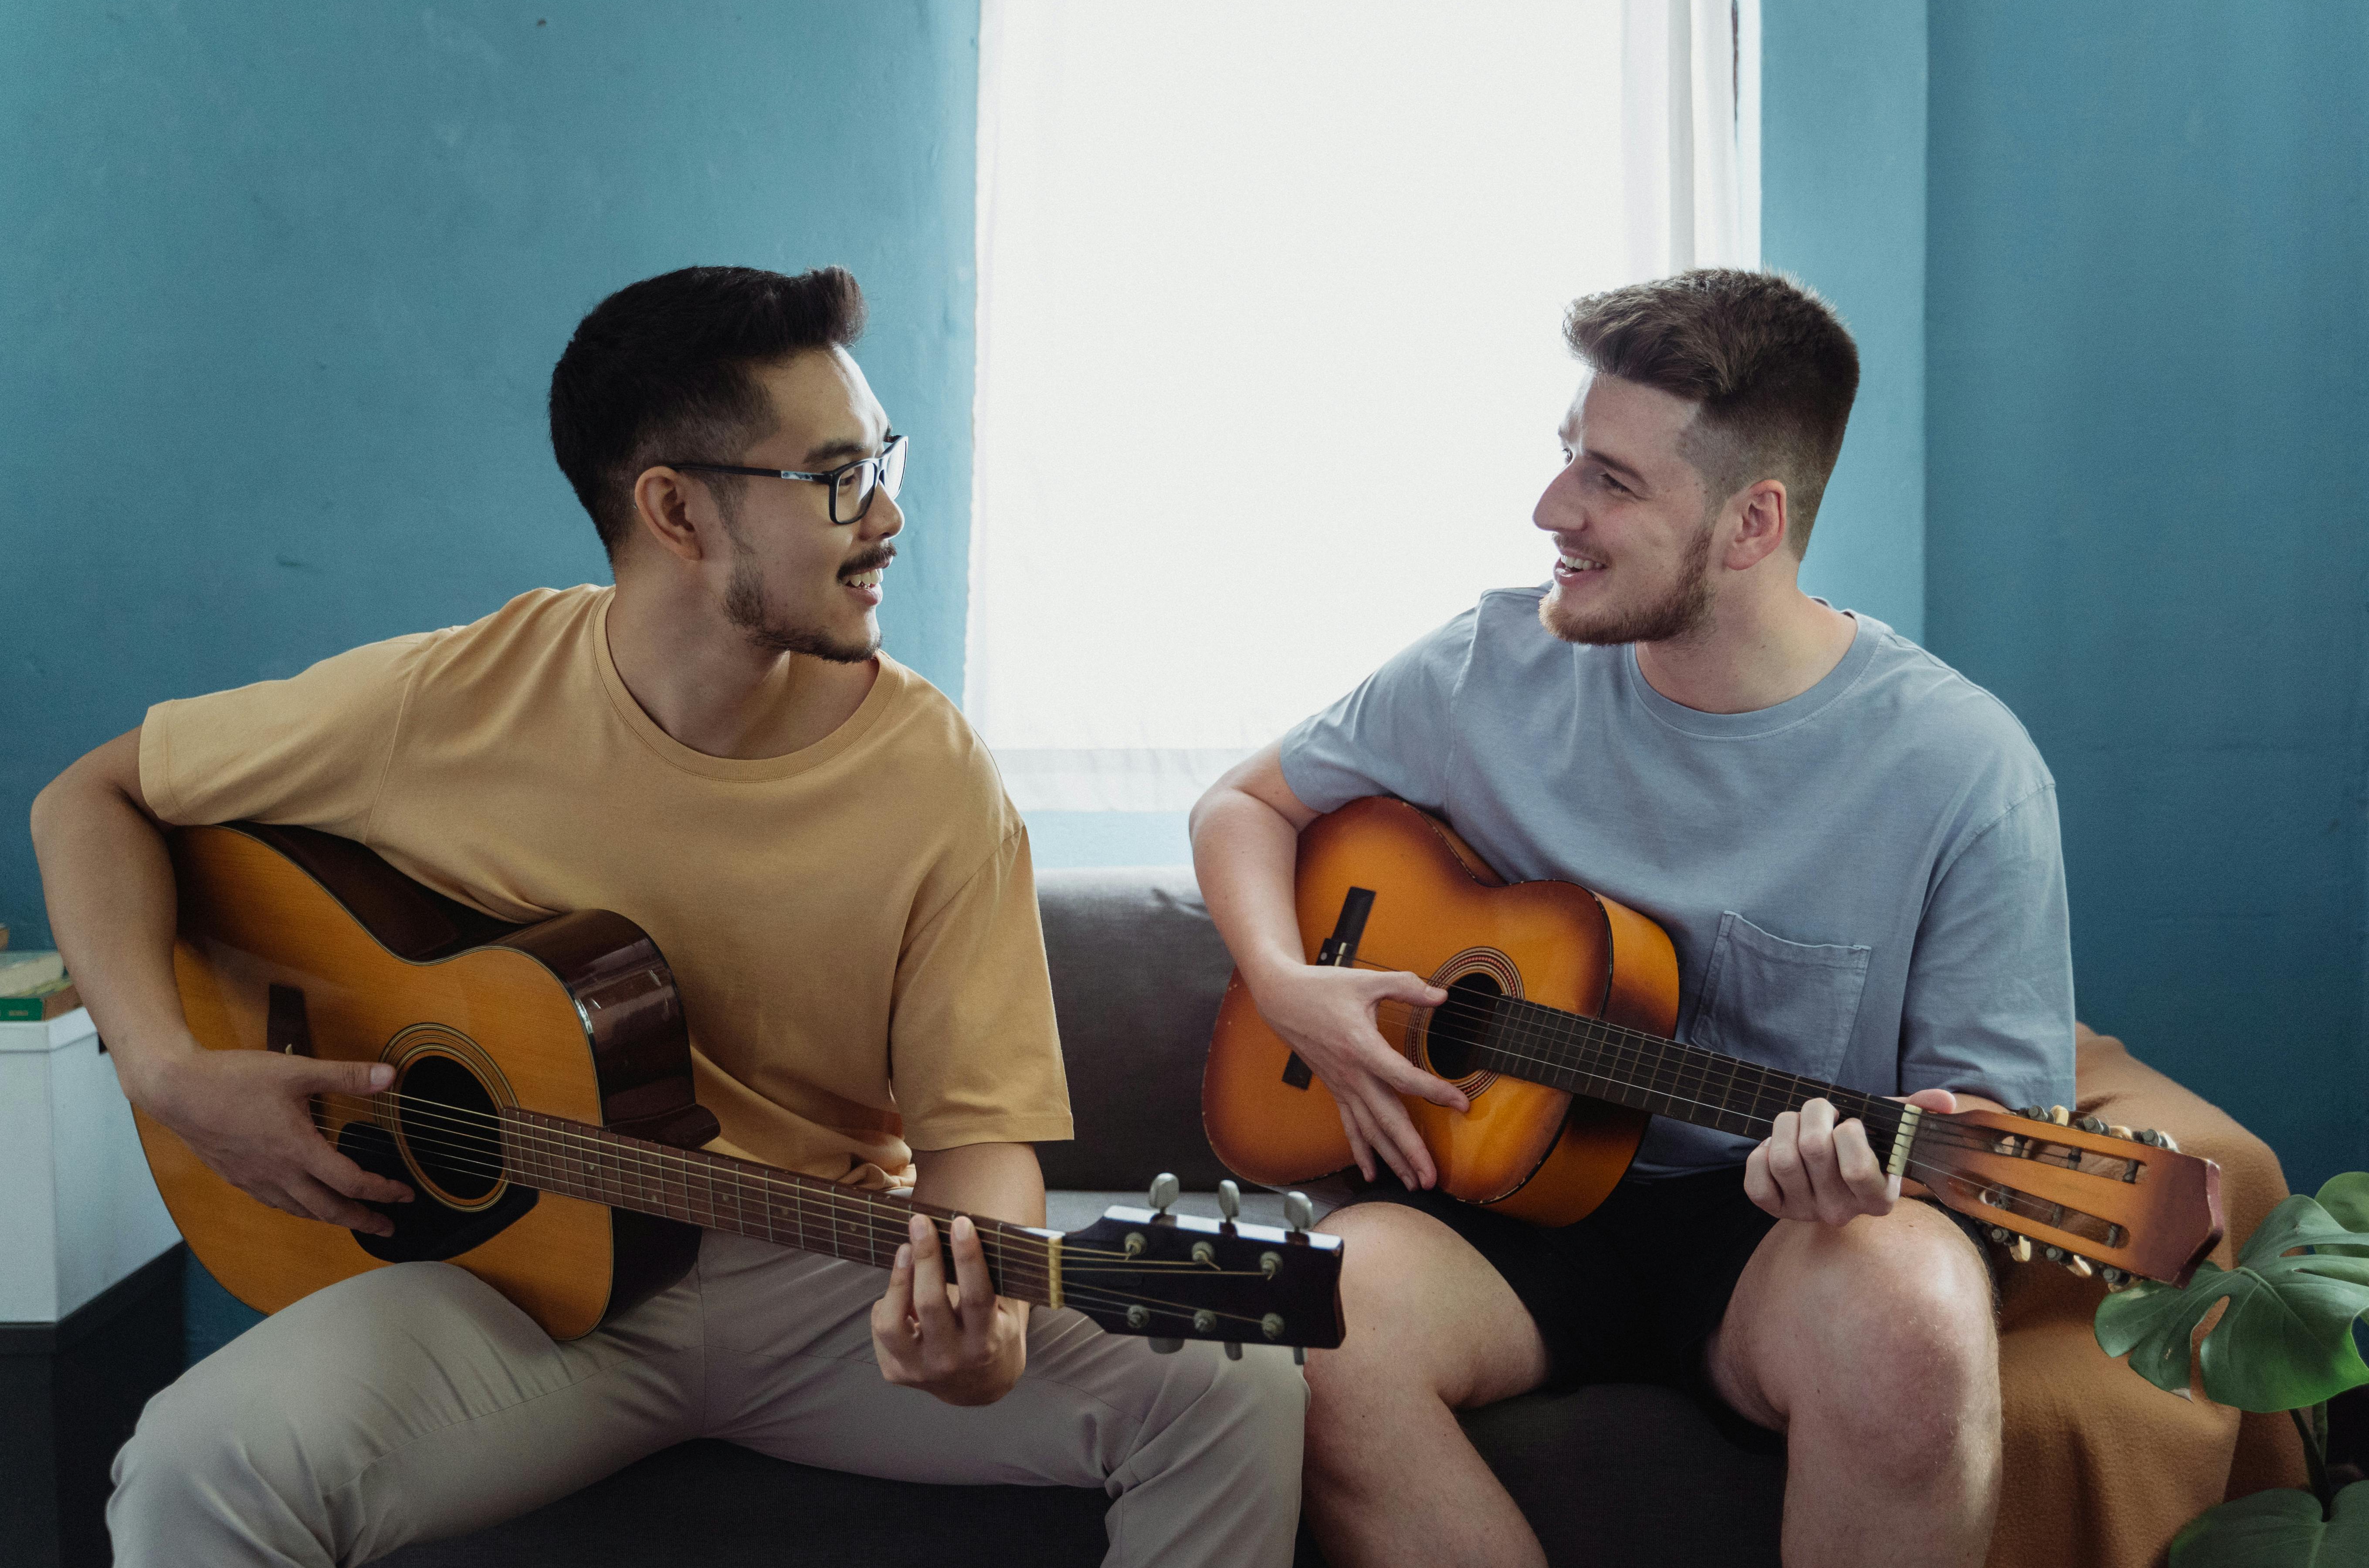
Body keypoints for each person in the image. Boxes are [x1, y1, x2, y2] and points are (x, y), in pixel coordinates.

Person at [32, 264, 1304, 1568]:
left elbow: (978, 1142)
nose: (888, 515)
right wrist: (169, 1069)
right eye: (837, 477)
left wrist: (984, 1339)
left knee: (1234, 1386)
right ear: (677, 513)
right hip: (510, 1293)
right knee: (194, 1464)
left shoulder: (933, 776)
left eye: (884, 460)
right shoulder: (455, 698)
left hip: (825, 1273)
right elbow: (92, 797)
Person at [1190, 269, 2074, 1568]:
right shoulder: (1484, 665)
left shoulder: (1962, 769)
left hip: (1777, 1233)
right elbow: (1243, 804)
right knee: (1312, 1319)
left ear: (1751, 522)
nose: (1553, 509)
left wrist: (1881, 1176)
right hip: (1500, 1201)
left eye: (1610, 479)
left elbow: (1996, 1156)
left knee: (1917, 1310)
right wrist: (1285, 980)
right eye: (1566, 456)